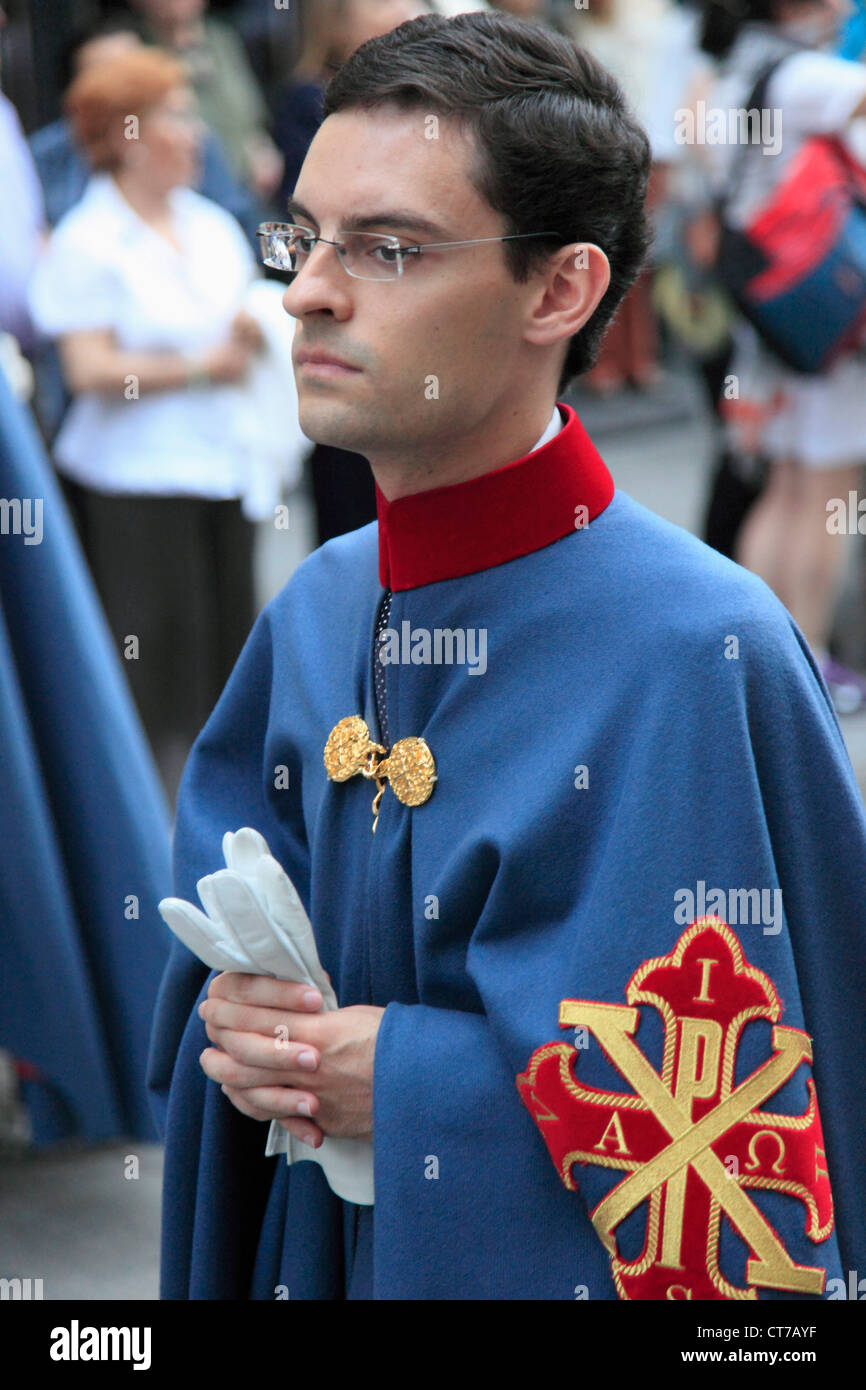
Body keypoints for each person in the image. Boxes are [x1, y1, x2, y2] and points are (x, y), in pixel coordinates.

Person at [149, 10, 866, 1300]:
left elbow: (744, 1160)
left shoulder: (703, 652)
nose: (308, 288)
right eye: (303, 238)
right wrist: (239, 1025)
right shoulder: (312, 606)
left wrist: (413, 1084)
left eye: (388, 247)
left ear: (559, 288)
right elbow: (214, 954)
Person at [27, 47, 266, 798]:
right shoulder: (87, 241)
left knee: (230, 648)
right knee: (152, 665)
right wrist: (202, 367)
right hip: (134, 484)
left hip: (223, 467)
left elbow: (244, 320)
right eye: (174, 117)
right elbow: (90, 370)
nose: (194, 134)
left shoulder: (211, 226)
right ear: (128, 135)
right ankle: (147, 822)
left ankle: (233, 810)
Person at [695, 0, 866, 712]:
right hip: (829, 308)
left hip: (770, 309)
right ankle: (815, 660)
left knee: (784, 481)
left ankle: (764, 654)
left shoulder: (738, 70)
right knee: (832, 488)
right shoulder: (810, 76)